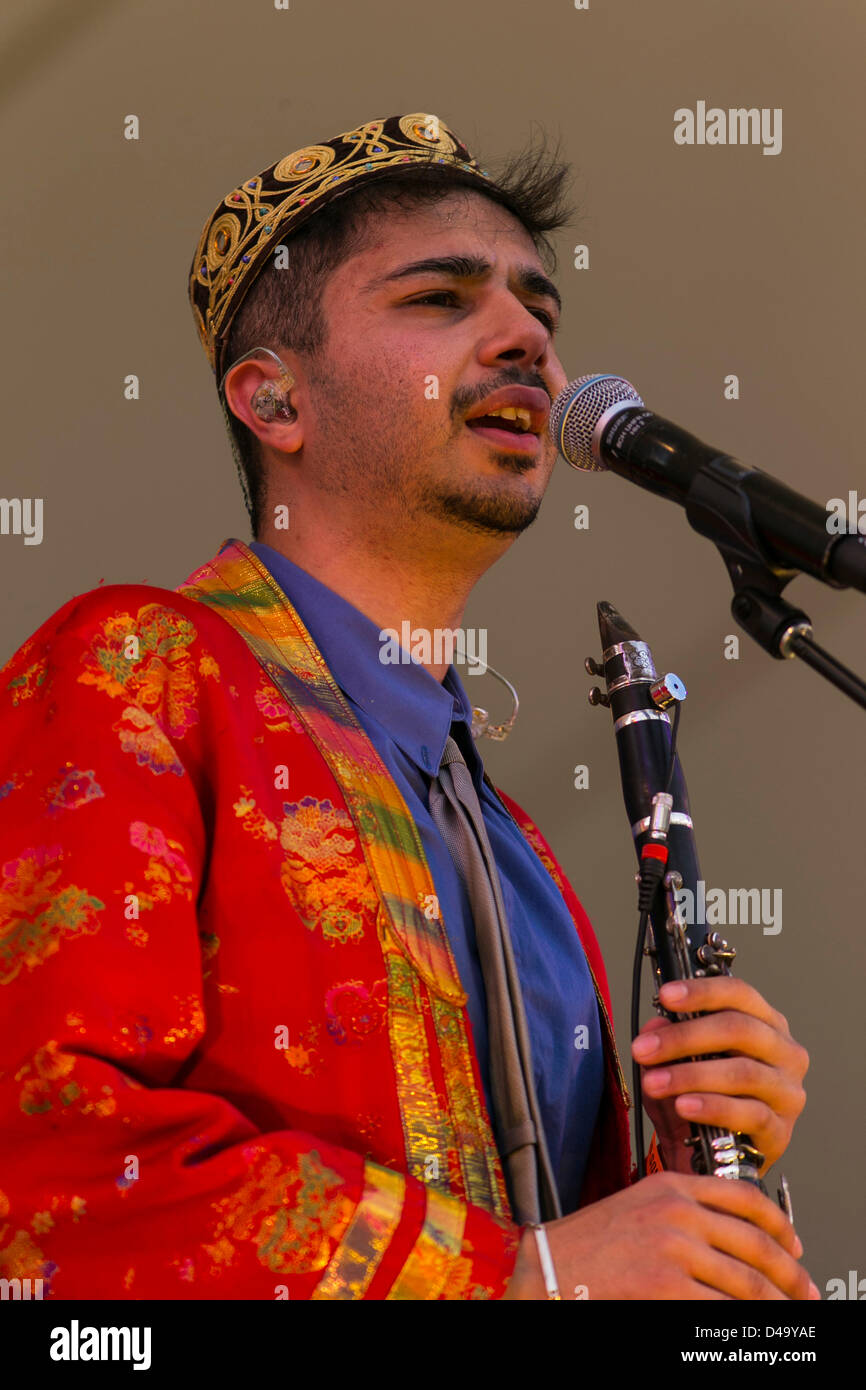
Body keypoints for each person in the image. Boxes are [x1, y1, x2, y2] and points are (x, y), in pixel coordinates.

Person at [0, 112, 814, 1300]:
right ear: (273, 401)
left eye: (539, 307)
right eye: (442, 298)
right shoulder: (133, 664)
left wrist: (682, 1189)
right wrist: (521, 1275)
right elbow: (45, 1156)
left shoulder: (515, 843)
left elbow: (563, 1249)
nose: (527, 339)